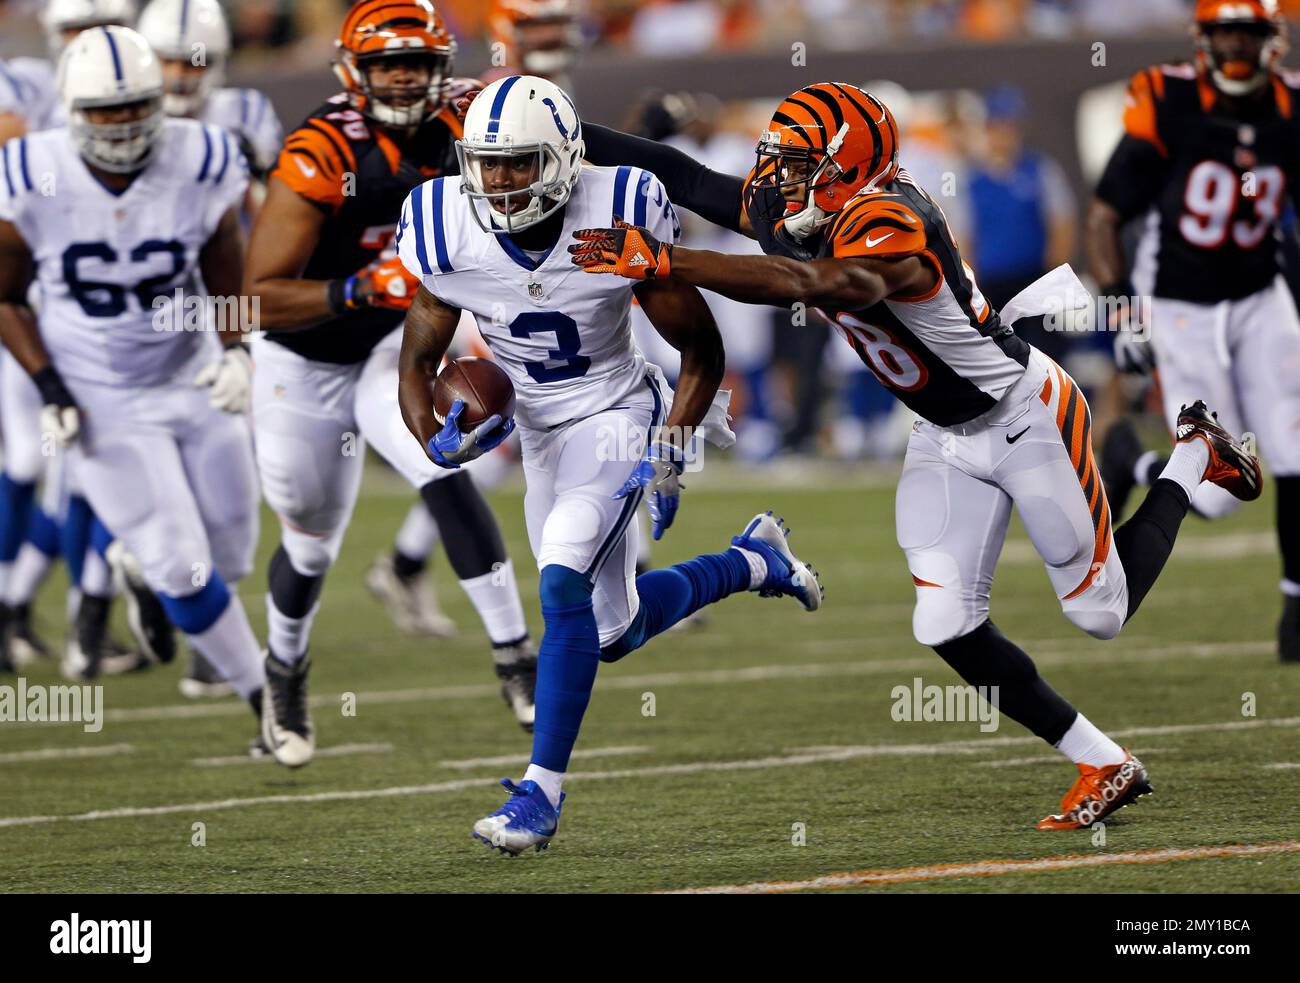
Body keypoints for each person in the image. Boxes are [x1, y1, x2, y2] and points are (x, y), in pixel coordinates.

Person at [573, 81, 1263, 829]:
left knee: (1101, 611)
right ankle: (1103, 760)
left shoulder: (892, 216)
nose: (775, 181)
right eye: (778, 162)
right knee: (943, 623)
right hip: (942, 433)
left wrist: (667, 260)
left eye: (796, 165)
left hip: (1023, 416)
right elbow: (684, 176)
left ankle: (1193, 452)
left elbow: (821, 280)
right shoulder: (805, 202)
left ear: (848, 166)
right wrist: (571, 133)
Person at [396, 74, 823, 855]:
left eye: (518, 163)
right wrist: (433, 434)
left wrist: (670, 450)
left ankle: (540, 794)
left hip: (615, 413)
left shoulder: (616, 207)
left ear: (562, 159)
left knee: (559, 576)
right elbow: (418, 357)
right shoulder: (441, 224)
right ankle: (754, 561)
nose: (497, 181)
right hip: (537, 425)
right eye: (486, 164)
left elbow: (700, 347)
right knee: (610, 632)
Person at [243, 0, 536, 767]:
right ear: (354, 72)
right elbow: (255, 293)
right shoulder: (322, 149)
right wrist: (356, 288)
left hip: (386, 350)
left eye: (417, 62)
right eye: (386, 64)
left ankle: (516, 657)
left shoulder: (470, 121)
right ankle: (285, 668)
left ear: (445, 67)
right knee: (310, 540)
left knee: (446, 461)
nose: (403, 77)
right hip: (297, 363)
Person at [0, 25, 265, 748]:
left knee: (234, 551)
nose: (120, 123)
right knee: (55, 471)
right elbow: (7, 291)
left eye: (134, 105)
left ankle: (130, 586)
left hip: (181, 360)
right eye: (103, 110)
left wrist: (240, 347)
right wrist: (52, 382)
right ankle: (46, 613)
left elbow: (228, 258)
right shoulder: (29, 167)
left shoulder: (205, 152)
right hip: (74, 358)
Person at [1089, 0, 1300, 663]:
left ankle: (1296, 599)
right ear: (1202, 39)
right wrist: (1122, 310)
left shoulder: (1292, 110)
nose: (1235, 46)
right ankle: (1132, 457)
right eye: (1224, 33)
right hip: (1180, 304)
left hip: (1260, 295)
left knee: (1295, 448)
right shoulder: (1170, 99)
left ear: (1273, 40)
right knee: (1219, 494)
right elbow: (1103, 217)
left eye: (1248, 32)